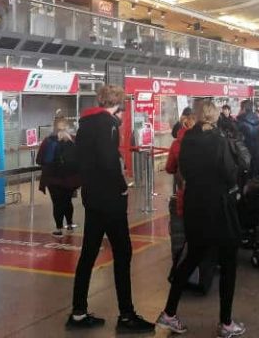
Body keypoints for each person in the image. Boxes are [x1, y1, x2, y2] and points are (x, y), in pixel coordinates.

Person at [67, 85, 154, 333]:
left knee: (88, 254)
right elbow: (108, 160)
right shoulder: (108, 124)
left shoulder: (85, 124)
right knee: (123, 253)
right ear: (118, 104)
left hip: (92, 197)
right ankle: (126, 315)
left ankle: (79, 312)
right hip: (109, 199)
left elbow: (80, 160)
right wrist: (122, 185)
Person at [156, 100, 246, 337]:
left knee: (192, 257)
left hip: (195, 204)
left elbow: (181, 170)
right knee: (228, 263)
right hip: (219, 206)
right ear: (215, 117)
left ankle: (169, 313)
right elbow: (229, 174)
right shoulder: (220, 141)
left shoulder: (186, 141)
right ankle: (226, 323)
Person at [36, 116, 80, 237]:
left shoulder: (48, 141)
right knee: (67, 201)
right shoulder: (74, 139)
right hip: (70, 179)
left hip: (53, 179)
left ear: (54, 126)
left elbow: (39, 160)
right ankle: (70, 224)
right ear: (67, 126)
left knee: (57, 203)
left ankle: (59, 229)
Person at [238, 100, 259, 176]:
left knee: (246, 175)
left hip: (245, 152)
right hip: (257, 149)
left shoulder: (241, 121)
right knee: (255, 174)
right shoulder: (258, 119)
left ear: (243, 109)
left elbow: (237, 138)